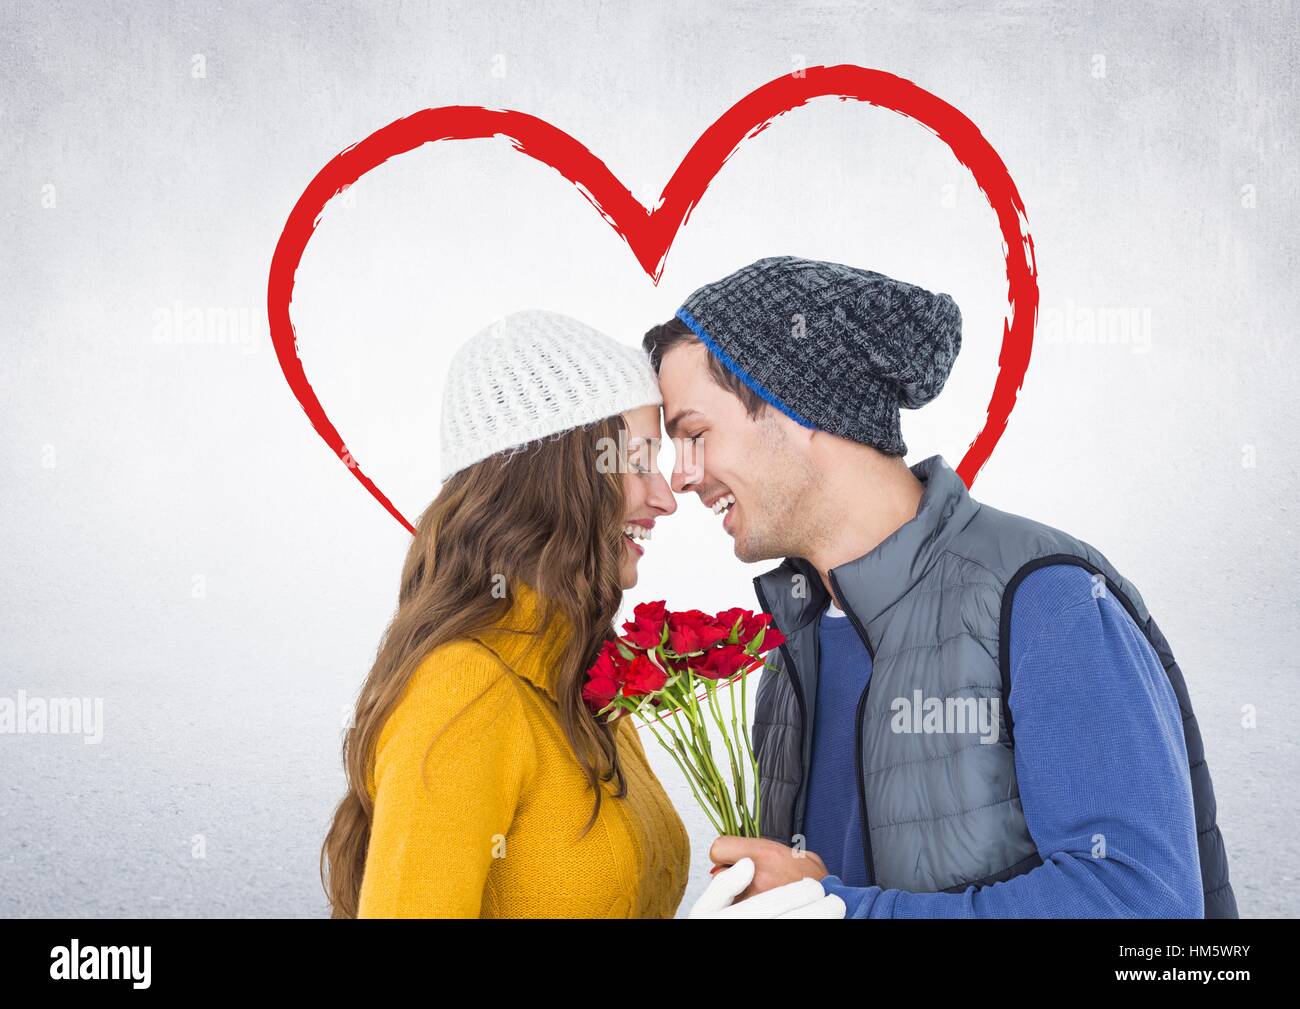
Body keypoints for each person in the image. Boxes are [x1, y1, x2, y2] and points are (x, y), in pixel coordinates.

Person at [643, 256, 1238, 918]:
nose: (680, 477)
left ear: (797, 402)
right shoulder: (792, 654)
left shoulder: (1046, 599)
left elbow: (1140, 905)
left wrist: (842, 911)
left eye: (694, 435)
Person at [320, 308, 840, 918]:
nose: (665, 497)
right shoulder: (463, 690)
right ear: (558, 474)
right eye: (638, 459)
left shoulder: (590, 687)